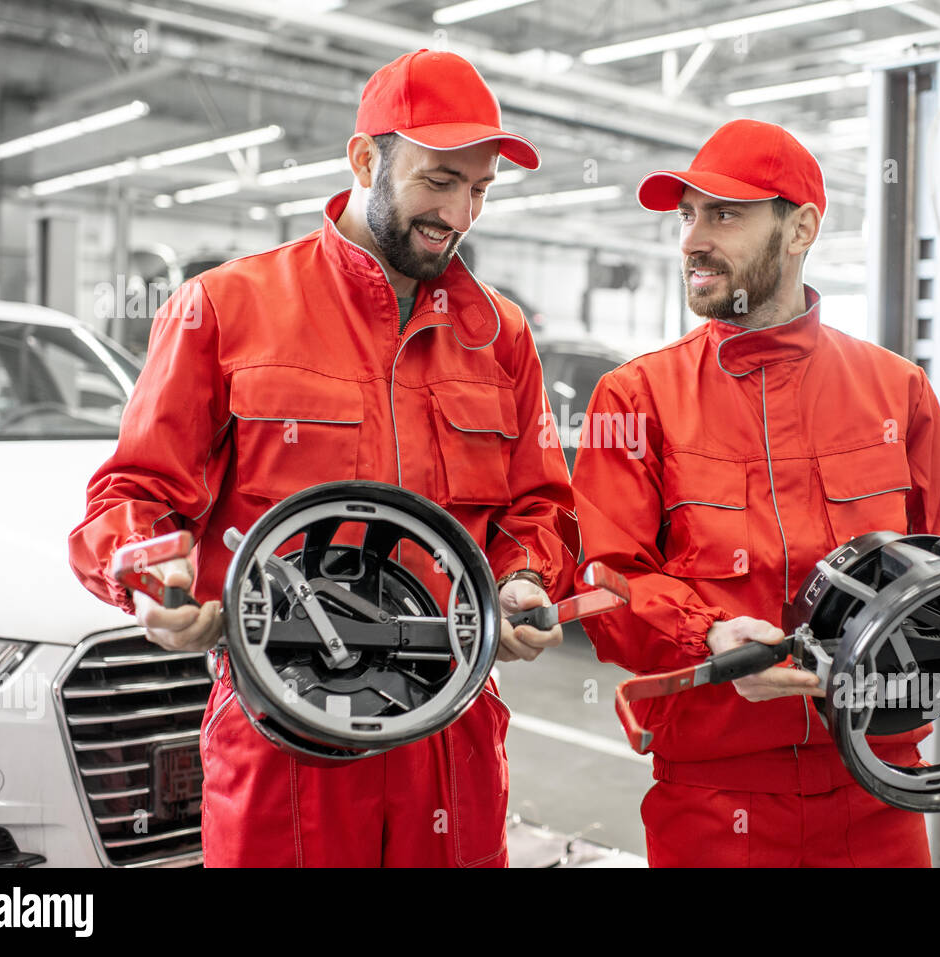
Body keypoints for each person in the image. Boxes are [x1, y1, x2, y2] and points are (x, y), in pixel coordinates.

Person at [68, 49, 579, 867]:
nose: (462, 213)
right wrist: (150, 575)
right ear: (365, 158)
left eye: (481, 189)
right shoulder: (224, 310)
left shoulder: (502, 336)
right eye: (440, 181)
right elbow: (133, 494)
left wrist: (524, 577)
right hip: (284, 739)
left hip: (451, 741)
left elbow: (538, 508)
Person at [573, 119, 940, 867]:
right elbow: (605, 586)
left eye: (723, 214)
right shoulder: (637, 396)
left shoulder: (896, 391)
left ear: (801, 226)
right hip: (715, 804)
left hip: (882, 791)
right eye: (687, 215)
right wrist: (706, 634)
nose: (691, 239)